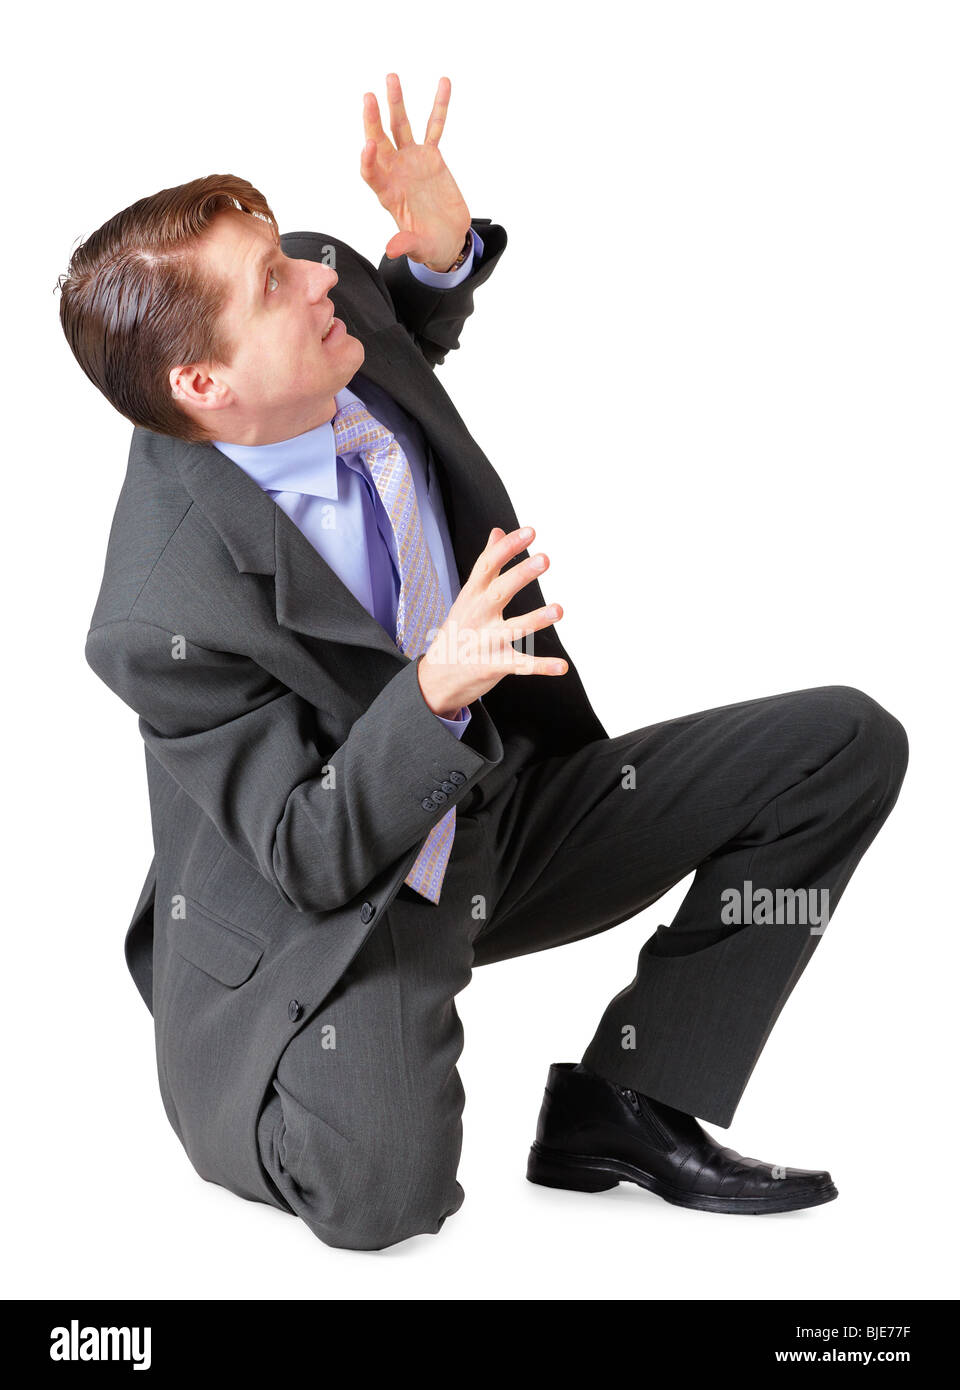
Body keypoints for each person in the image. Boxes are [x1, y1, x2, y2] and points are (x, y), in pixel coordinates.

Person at [60, 74, 909, 1251]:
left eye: (290, 256)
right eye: (275, 283)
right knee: (381, 1201)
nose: (316, 271)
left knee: (845, 746)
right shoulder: (160, 611)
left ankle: (626, 1097)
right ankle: (248, 1068)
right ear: (206, 390)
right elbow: (309, 850)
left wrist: (443, 253)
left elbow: (402, 330)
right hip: (349, 893)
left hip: (501, 812)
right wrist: (433, 691)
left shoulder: (329, 300)